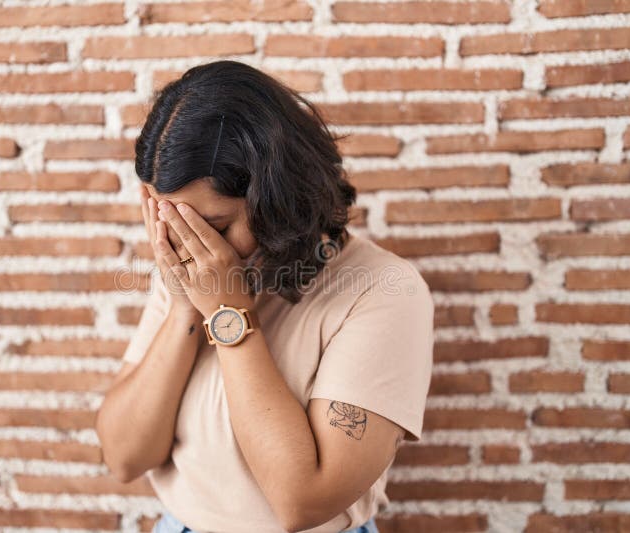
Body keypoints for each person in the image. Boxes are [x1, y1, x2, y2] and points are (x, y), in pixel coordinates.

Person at [96, 60, 435, 533]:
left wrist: (230, 316)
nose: (189, 249)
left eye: (211, 228)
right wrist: (184, 311)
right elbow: (124, 456)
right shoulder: (195, 274)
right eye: (172, 225)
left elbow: (302, 502)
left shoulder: (384, 293)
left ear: (276, 196)